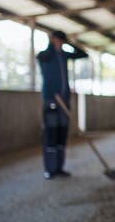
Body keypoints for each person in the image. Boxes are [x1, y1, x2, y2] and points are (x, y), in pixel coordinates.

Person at [37, 31, 88, 180]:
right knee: (51, 135)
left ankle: (59, 168)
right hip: (51, 101)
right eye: (57, 40)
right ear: (52, 39)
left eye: (61, 40)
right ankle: (50, 169)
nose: (59, 43)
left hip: (64, 102)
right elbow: (43, 56)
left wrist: (69, 43)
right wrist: (51, 45)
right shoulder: (45, 55)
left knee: (61, 135)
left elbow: (83, 54)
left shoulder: (64, 55)